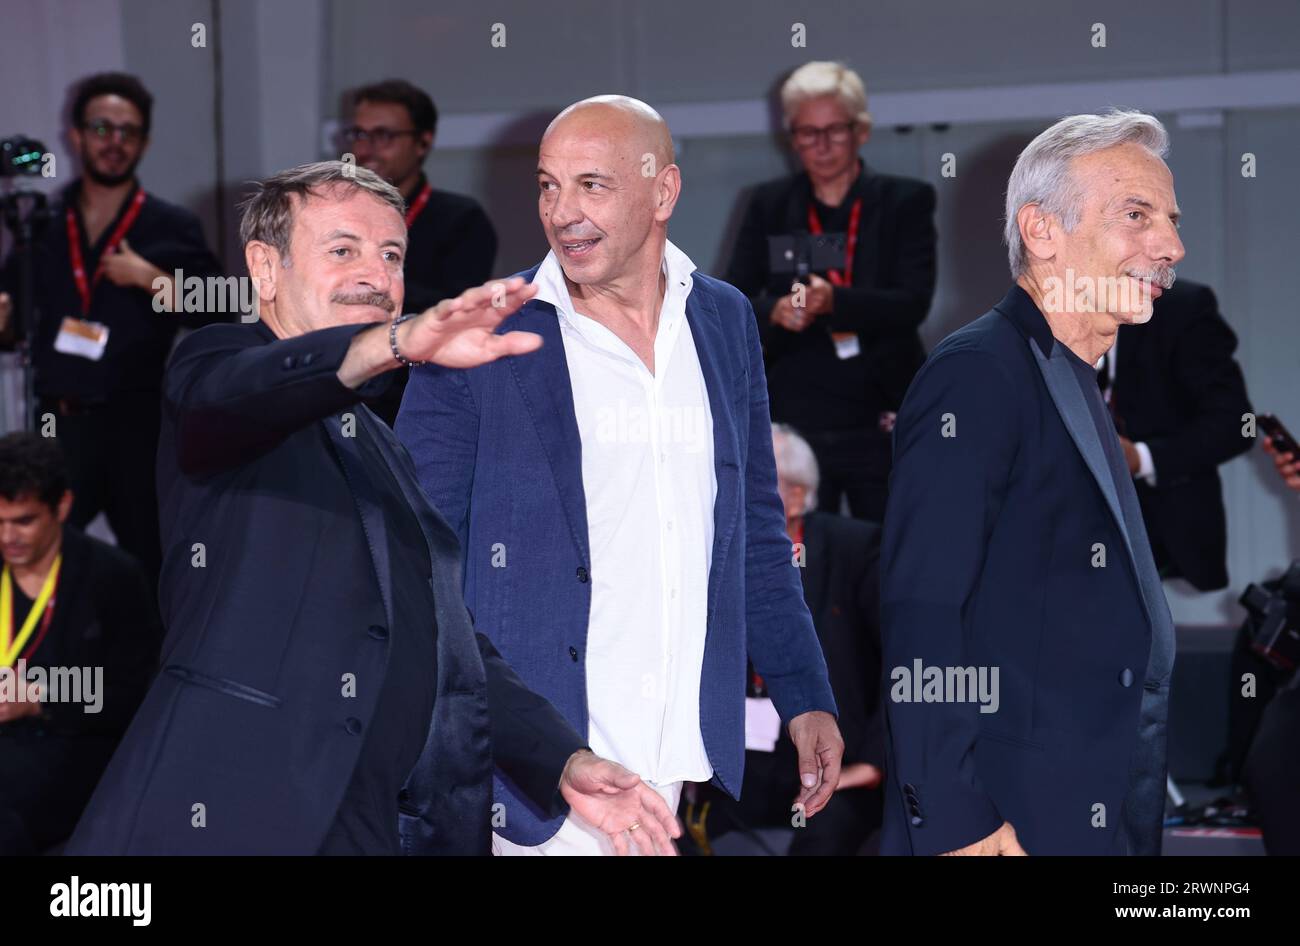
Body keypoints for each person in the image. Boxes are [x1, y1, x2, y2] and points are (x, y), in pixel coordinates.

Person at [66, 161, 679, 855]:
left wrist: (565, 760)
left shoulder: (384, 448)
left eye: (391, 255)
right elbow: (235, 395)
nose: (375, 274)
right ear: (264, 269)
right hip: (239, 807)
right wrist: (391, 343)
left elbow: (452, 641)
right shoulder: (216, 362)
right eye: (342, 250)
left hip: (381, 821)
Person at [397, 96, 842, 855]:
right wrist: (528, 744)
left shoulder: (724, 319)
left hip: (670, 764)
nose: (562, 211)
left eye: (591, 185)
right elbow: (413, 562)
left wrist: (803, 692)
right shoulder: (481, 333)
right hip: (531, 777)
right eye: (547, 185)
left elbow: (754, 533)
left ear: (663, 192)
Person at [881, 109, 1184, 856]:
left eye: (1171, 220)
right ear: (1043, 232)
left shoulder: (1072, 376)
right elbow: (922, 611)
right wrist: (955, 820)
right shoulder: (979, 373)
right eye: (1136, 215)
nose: (1172, 246)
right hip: (1002, 824)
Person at [0, 72, 226, 586]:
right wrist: (5, 322)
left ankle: (153, 667)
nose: (114, 142)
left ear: (144, 142)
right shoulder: (42, 220)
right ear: (76, 135)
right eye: (102, 128)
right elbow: (13, 321)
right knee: (35, 564)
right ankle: (29, 666)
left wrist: (154, 281)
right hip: (58, 424)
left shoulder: (170, 226)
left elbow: (222, 308)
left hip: (137, 424)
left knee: (154, 566)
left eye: (129, 131)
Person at [726, 61, 937, 522]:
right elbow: (734, 299)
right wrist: (778, 310)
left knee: (883, 546)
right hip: (798, 404)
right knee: (802, 545)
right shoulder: (770, 205)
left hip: (880, 407)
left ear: (860, 130)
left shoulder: (904, 201)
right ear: (791, 137)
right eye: (806, 133)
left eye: (834, 131)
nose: (820, 146)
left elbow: (913, 301)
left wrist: (836, 302)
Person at [0, 432, 161, 854]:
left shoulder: (113, 577)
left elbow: (132, 696)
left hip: (70, 746)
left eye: (24, 521)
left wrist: (39, 697)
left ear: (63, 506)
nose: (8, 537)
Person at [735, 423, 885, 855]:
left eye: (756, 481)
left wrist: (875, 765)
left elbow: (902, 663)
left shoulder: (855, 550)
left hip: (840, 769)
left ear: (797, 496)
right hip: (743, 767)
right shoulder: (714, 556)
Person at [340, 79, 497, 426]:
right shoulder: (336, 216)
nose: (365, 150)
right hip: (342, 387)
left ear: (423, 142)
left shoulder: (460, 218)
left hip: (419, 396)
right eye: (359, 135)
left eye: (384, 136)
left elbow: (452, 310)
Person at [1099, 278, 1253, 590]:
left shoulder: (1180, 306)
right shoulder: (1043, 305)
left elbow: (1237, 424)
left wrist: (1141, 459)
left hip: (1154, 520)